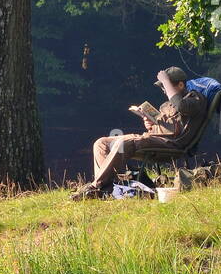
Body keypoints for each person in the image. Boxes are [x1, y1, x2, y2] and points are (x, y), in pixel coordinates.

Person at [69, 67, 207, 201]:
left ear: (181, 84)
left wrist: (165, 80)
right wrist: (150, 123)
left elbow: (181, 106)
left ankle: (94, 187)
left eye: (165, 86)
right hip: (152, 138)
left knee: (123, 143)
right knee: (102, 143)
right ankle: (108, 188)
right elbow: (162, 126)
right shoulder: (166, 105)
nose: (164, 90)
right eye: (163, 87)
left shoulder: (195, 98)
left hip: (173, 144)